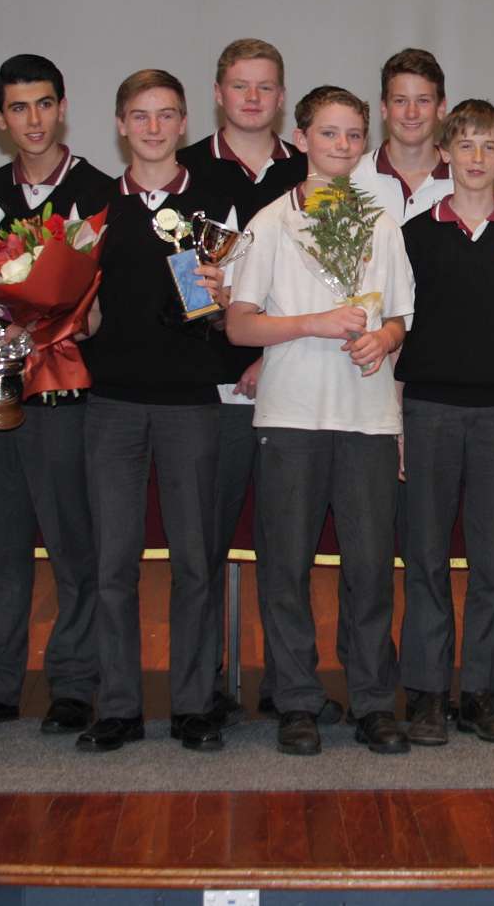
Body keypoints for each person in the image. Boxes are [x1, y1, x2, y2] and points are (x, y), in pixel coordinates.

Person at [0, 54, 113, 737]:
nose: (32, 119)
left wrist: (76, 324)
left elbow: (110, 301)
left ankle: (74, 685)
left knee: (73, 548)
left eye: (43, 104)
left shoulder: (101, 192)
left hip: (67, 399)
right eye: (17, 107)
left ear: (62, 107)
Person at [226, 86, 413, 757]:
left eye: (354, 134)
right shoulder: (272, 221)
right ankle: (297, 701)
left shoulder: (382, 223)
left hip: (368, 417)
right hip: (292, 416)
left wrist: (384, 338)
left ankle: (372, 701)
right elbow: (240, 324)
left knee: (370, 568)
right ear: (301, 138)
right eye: (329, 133)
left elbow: (401, 316)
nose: (342, 144)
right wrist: (314, 323)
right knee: (286, 567)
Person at [75, 70, 241, 754]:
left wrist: (223, 298)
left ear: (184, 122)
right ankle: (118, 706)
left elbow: (230, 311)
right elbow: (80, 312)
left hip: (190, 404)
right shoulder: (91, 208)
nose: (153, 127)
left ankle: (194, 705)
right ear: (120, 124)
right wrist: (63, 316)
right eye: (140, 116)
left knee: (195, 562)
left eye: (166, 114)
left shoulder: (216, 205)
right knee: (112, 563)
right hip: (111, 401)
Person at [396, 99, 494, 745]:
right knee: (427, 555)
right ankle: (428, 692)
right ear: (444, 153)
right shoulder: (414, 234)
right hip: (428, 410)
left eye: (490, 146)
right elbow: (400, 326)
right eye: (465, 145)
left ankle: (482, 692)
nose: (478, 158)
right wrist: (398, 421)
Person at [177, 38, 310, 721]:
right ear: (218, 93)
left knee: (286, 551)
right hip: (210, 392)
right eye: (239, 85)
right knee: (200, 549)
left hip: (292, 388)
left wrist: (268, 349)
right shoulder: (185, 171)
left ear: (282, 96)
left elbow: (328, 285)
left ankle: (288, 687)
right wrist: (236, 333)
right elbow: (183, 284)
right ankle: (199, 689)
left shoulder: (313, 173)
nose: (252, 98)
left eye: (265, 86)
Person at [350, 47, 453, 223]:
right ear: (384, 108)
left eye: (423, 101)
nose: (411, 113)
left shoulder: (463, 181)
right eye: (400, 101)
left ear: (441, 108)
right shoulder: (352, 178)